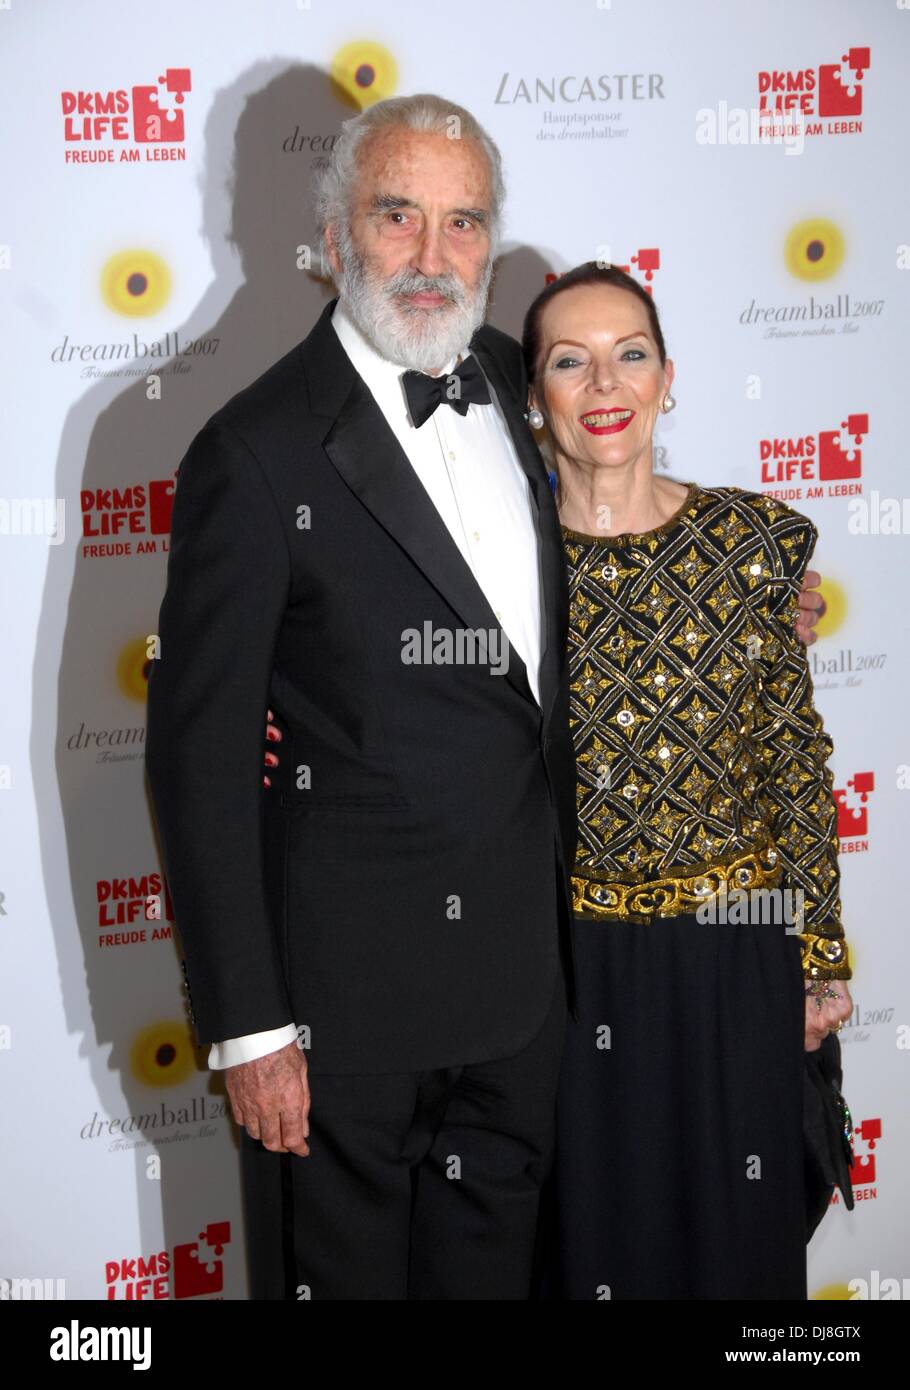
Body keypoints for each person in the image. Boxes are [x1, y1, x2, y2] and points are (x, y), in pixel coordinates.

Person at [145, 92, 581, 1301]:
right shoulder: (253, 452)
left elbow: (615, 549)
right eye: (398, 216)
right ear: (332, 234)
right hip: (341, 1030)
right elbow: (200, 759)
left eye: (464, 222)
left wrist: (754, 598)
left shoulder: (514, 378)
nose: (434, 259)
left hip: (522, 997)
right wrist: (249, 1027)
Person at [521, 262, 853, 1300]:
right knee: (590, 1248)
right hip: (568, 972)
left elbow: (792, 756)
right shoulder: (495, 567)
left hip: (733, 955)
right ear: (535, 398)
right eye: (568, 361)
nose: (603, 383)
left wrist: (819, 953)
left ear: (668, 377)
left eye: (629, 354)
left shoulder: (752, 545)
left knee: (736, 1251)